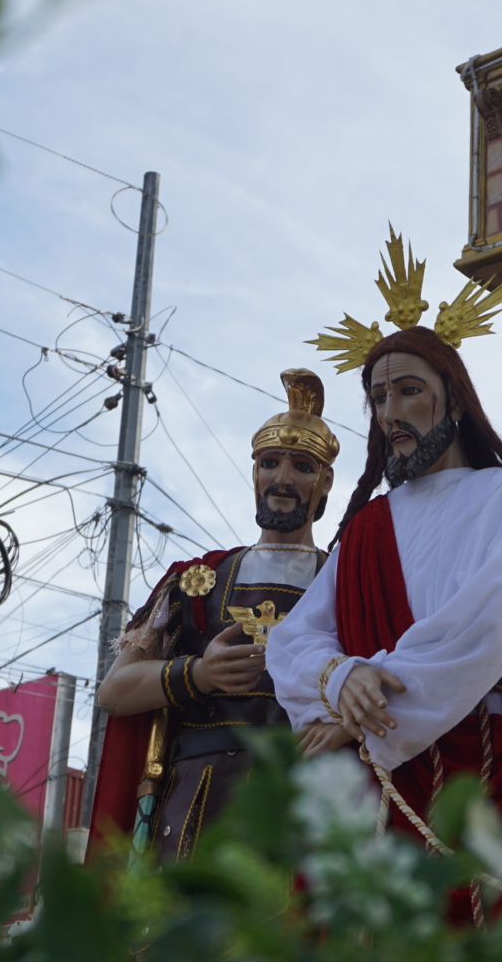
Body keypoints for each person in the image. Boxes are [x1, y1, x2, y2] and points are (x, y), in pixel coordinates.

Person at [271, 235, 502, 838]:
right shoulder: (367, 527)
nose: (390, 413)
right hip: (369, 781)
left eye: (408, 390)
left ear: (454, 400)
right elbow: (292, 641)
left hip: (476, 769)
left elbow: (488, 626)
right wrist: (340, 679)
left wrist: (364, 711)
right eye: (379, 397)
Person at [88, 369, 338, 861]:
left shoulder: (348, 581)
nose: (283, 480)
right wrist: (197, 673)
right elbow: (114, 693)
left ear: (324, 481)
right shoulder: (196, 579)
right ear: (254, 474)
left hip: (308, 799)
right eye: (270, 463)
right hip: (197, 805)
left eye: (303, 467)